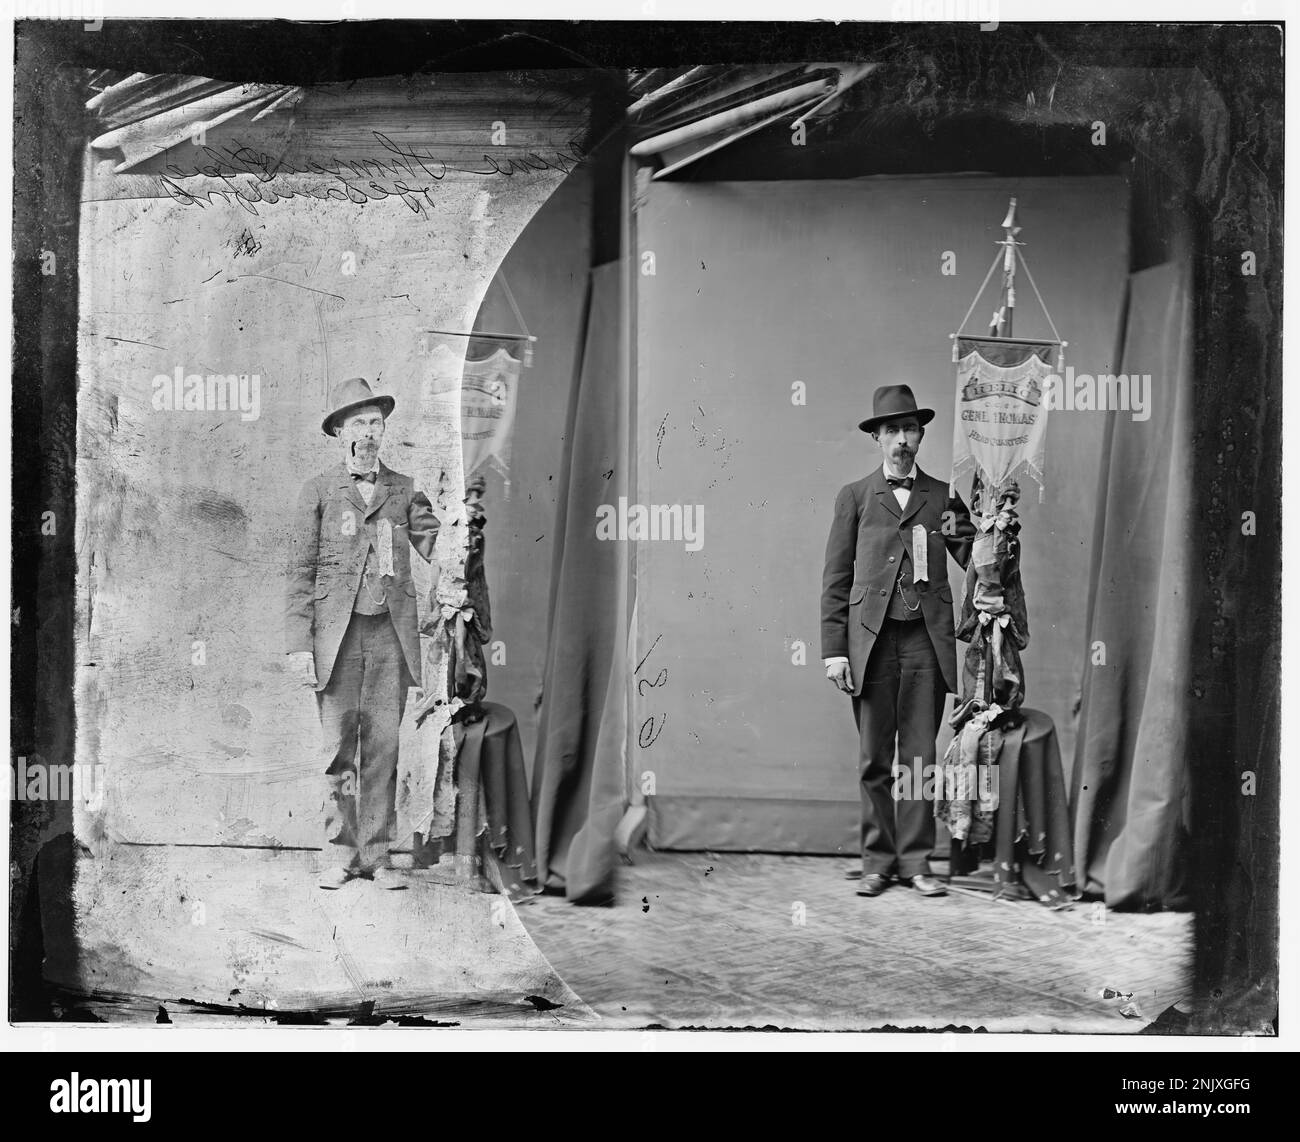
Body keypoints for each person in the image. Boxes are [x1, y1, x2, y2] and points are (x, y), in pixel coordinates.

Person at [285, 378, 440, 890]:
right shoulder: (320, 491)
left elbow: (436, 540)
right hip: (336, 642)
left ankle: (376, 856)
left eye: (375, 423)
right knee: (338, 752)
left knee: (384, 748)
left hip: (389, 639)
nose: (368, 433)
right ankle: (341, 854)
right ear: (339, 433)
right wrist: (299, 646)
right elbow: (299, 573)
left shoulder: (405, 488)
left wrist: (459, 537)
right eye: (358, 424)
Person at [820, 384, 975, 898]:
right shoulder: (856, 497)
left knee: (919, 758)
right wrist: (834, 652)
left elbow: (975, 559)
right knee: (874, 759)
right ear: (877, 439)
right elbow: (836, 580)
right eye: (891, 431)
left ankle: (916, 862)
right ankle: (876, 860)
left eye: (909, 429)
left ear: (921, 434)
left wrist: (995, 524)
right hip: (872, 645)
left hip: (926, 644)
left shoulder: (943, 497)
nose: (901, 441)